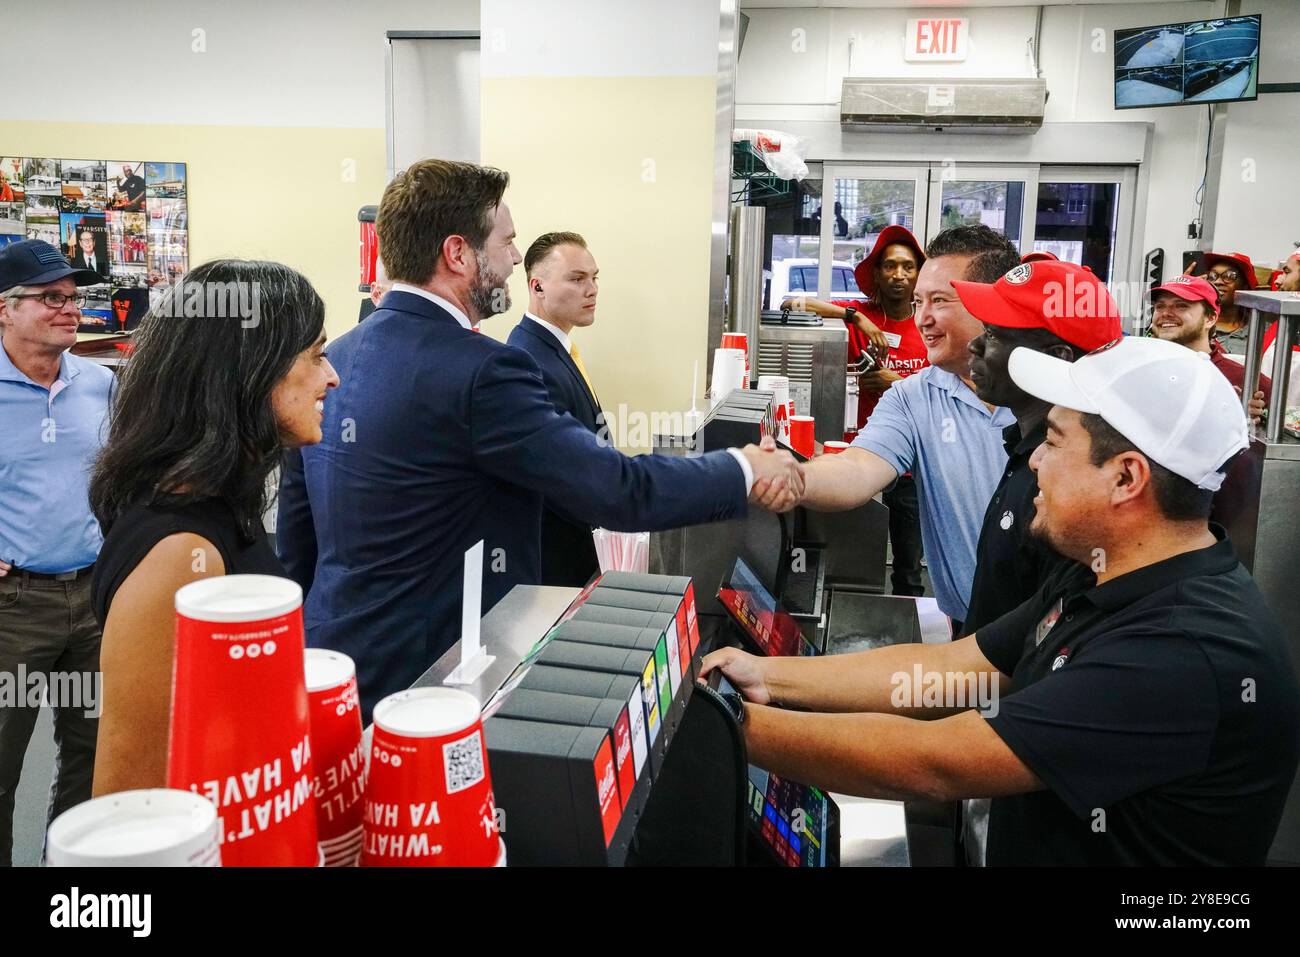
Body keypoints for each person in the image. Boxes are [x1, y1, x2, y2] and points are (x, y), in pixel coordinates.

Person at [703, 336, 1300, 866]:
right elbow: (953, 668)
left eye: (1055, 442)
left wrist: (719, 727)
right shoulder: (1103, 575)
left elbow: (935, 762)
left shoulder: (1182, 649)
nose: (1034, 458)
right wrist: (767, 674)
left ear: (1126, 478)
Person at [277, 159, 803, 719]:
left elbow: (297, 539)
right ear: (458, 254)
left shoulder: (336, 359)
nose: (510, 261)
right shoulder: (484, 371)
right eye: (505, 243)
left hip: (332, 674)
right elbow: (615, 489)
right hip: (439, 681)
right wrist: (742, 469)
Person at [88, 260, 339, 795]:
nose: (331, 376)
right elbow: (132, 803)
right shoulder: (182, 554)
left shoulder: (222, 508)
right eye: (316, 355)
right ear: (250, 369)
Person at [765, 225, 1022, 631]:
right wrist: (790, 476)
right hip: (970, 626)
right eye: (919, 302)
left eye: (939, 301)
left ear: (992, 304)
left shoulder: (1053, 393)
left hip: (1057, 629)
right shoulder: (913, 397)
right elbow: (857, 470)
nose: (922, 319)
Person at [0, 239, 113, 866]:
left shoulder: (99, 385)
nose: (69, 310)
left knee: (92, 760)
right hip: (14, 605)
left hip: (94, 597)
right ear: (5, 310)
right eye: (51, 299)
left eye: (73, 298)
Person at [955, 260, 1123, 635]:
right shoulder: (1024, 447)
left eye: (995, 335)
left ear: (1057, 358)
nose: (974, 344)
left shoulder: (1069, 481)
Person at [781, 225, 928, 597]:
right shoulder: (861, 316)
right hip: (859, 457)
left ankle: (905, 641)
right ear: (877, 272)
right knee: (853, 560)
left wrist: (896, 382)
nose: (899, 275)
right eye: (890, 266)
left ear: (918, 273)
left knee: (910, 567)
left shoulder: (928, 327)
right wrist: (854, 317)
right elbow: (790, 303)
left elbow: (944, 390)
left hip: (912, 466)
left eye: (908, 267)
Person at [506, 231, 603, 587]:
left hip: (580, 550)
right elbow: (556, 477)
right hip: (556, 564)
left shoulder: (557, 349)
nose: (591, 289)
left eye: (594, 278)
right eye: (577, 279)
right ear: (538, 287)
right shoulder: (527, 359)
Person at [1148, 274, 1269, 422]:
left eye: (1181, 306)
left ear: (1210, 318)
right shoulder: (1142, 369)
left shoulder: (1246, 381)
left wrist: (1248, 422)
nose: (1166, 313)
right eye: (1160, 306)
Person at [1191, 250, 1256, 355]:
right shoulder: (1192, 325)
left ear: (1245, 286)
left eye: (1229, 276)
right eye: (1212, 276)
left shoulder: (1260, 331)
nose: (1217, 282)